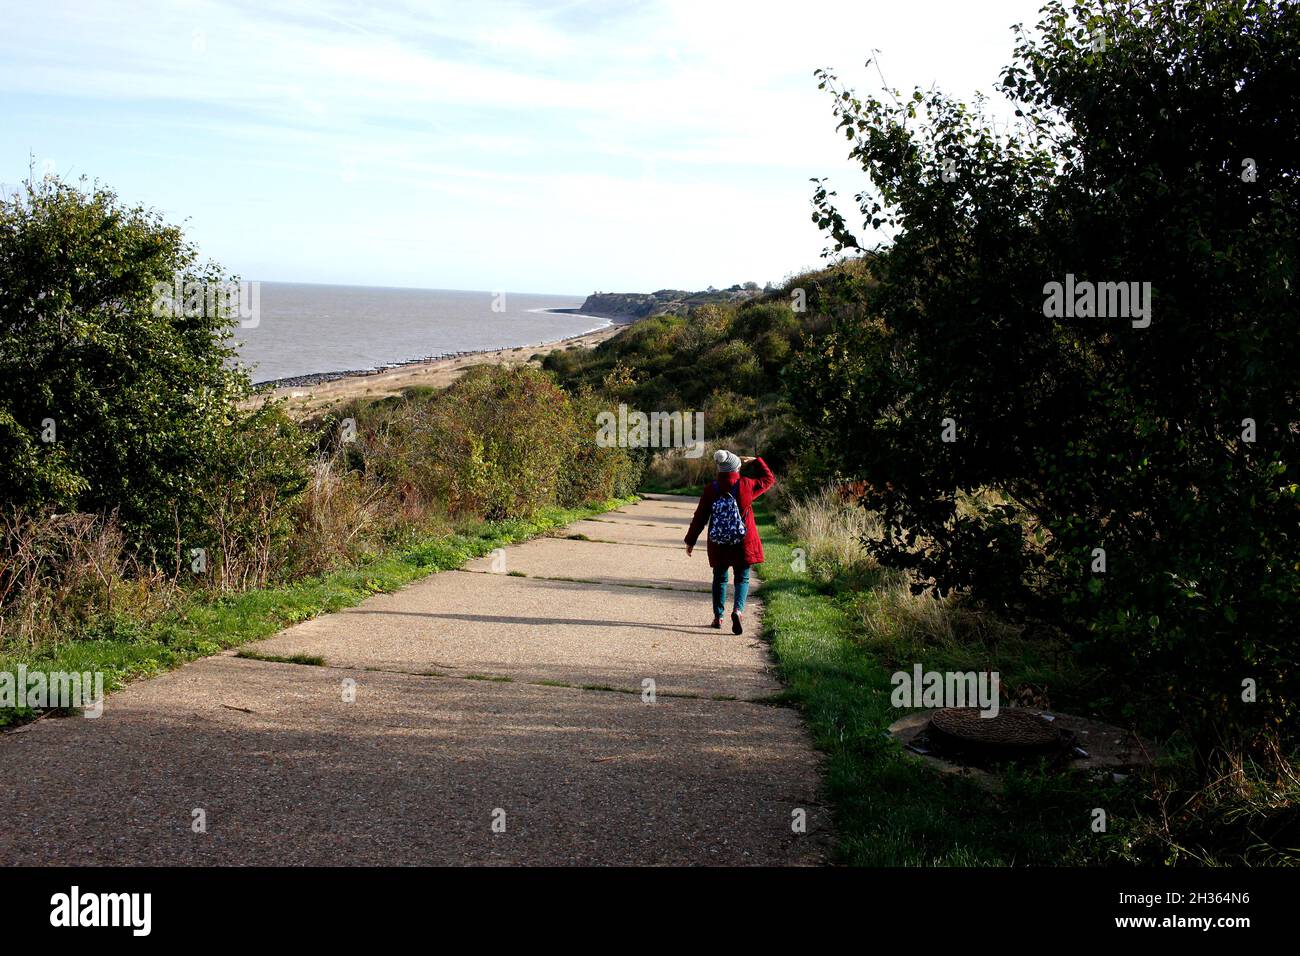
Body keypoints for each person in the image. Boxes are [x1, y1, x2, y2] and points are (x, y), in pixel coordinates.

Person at [684, 449, 775, 634]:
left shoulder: (711, 489)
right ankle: (738, 611)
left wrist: (690, 540)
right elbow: (768, 479)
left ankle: (718, 616)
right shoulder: (746, 485)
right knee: (742, 577)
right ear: (736, 468)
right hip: (743, 541)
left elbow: (700, 517)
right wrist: (757, 461)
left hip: (719, 542)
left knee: (720, 578)